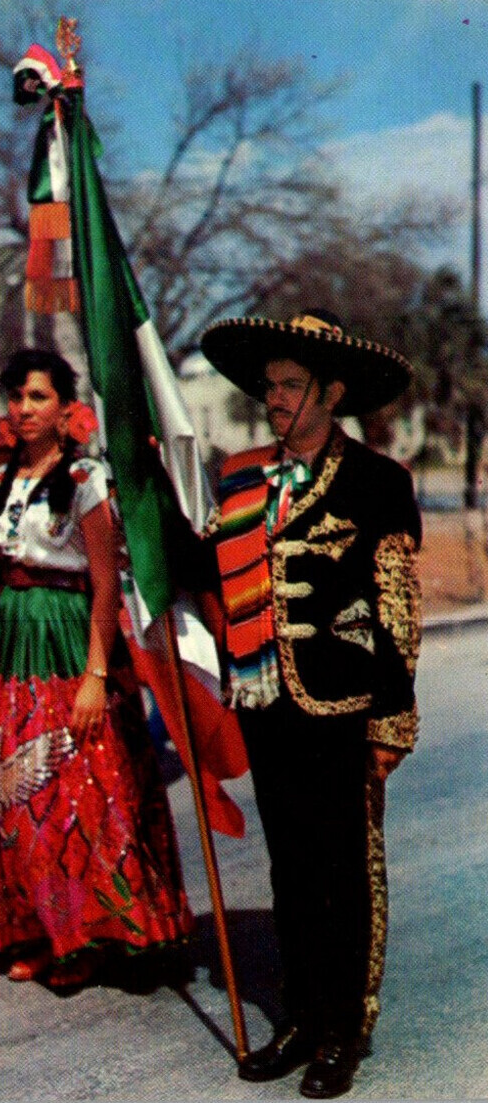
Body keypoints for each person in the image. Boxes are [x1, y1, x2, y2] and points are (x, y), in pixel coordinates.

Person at [199, 311, 422, 1098]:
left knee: (345, 868)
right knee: (289, 865)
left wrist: (391, 720)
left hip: (343, 703)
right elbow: (209, 572)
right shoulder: (240, 480)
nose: (274, 399)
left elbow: (395, 608)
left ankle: (342, 1026)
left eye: (291, 385)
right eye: (269, 385)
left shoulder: (375, 481)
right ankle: (297, 1015)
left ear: (331, 392)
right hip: (268, 704)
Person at [0, 347, 193, 989]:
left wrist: (96, 674)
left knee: (78, 792)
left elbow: (103, 584)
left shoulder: (86, 480)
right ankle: (39, 932)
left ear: (66, 408)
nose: (24, 409)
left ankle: (97, 935)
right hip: (6, 643)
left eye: (37, 397)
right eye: (16, 398)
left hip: (68, 638)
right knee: (13, 795)